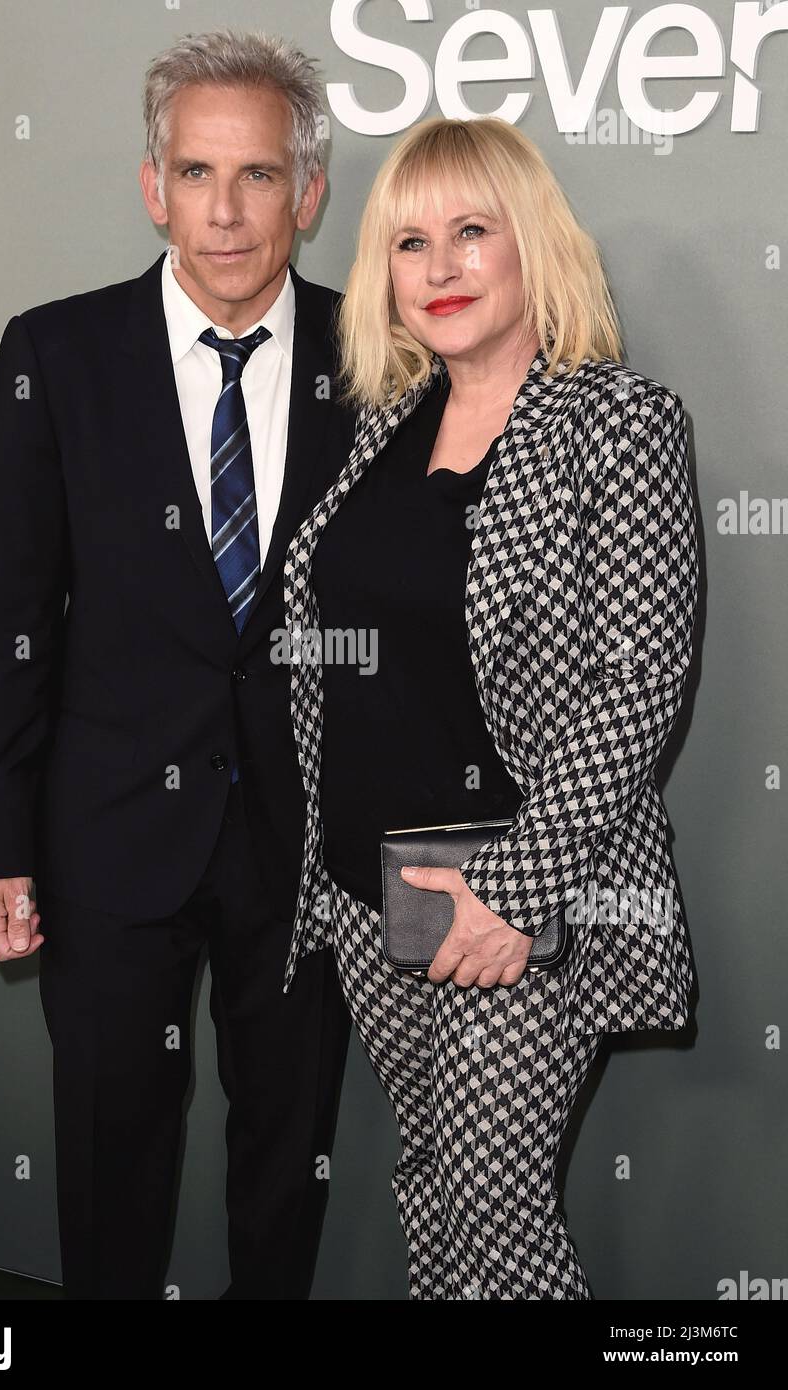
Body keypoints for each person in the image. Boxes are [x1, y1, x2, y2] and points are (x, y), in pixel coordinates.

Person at [0, 29, 354, 1300]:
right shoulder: (55, 357)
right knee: (108, 1161)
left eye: (254, 177)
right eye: (194, 173)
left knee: (286, 1166)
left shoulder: (383, 362)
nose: (224, 212)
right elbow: (9, 619)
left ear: (308, 192)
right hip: (110, 833)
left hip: (309, 850)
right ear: (151, 186)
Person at [280, 114, 699, 1300]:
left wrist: (511, 891)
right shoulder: (382, 426)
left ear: (533, 246)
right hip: (372, 897)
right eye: (410, 243)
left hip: (520, 897)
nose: (442, 268)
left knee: (500, 1225)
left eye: (473, 231)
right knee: (430, 1182)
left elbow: (638, 684)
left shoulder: (615, 424)